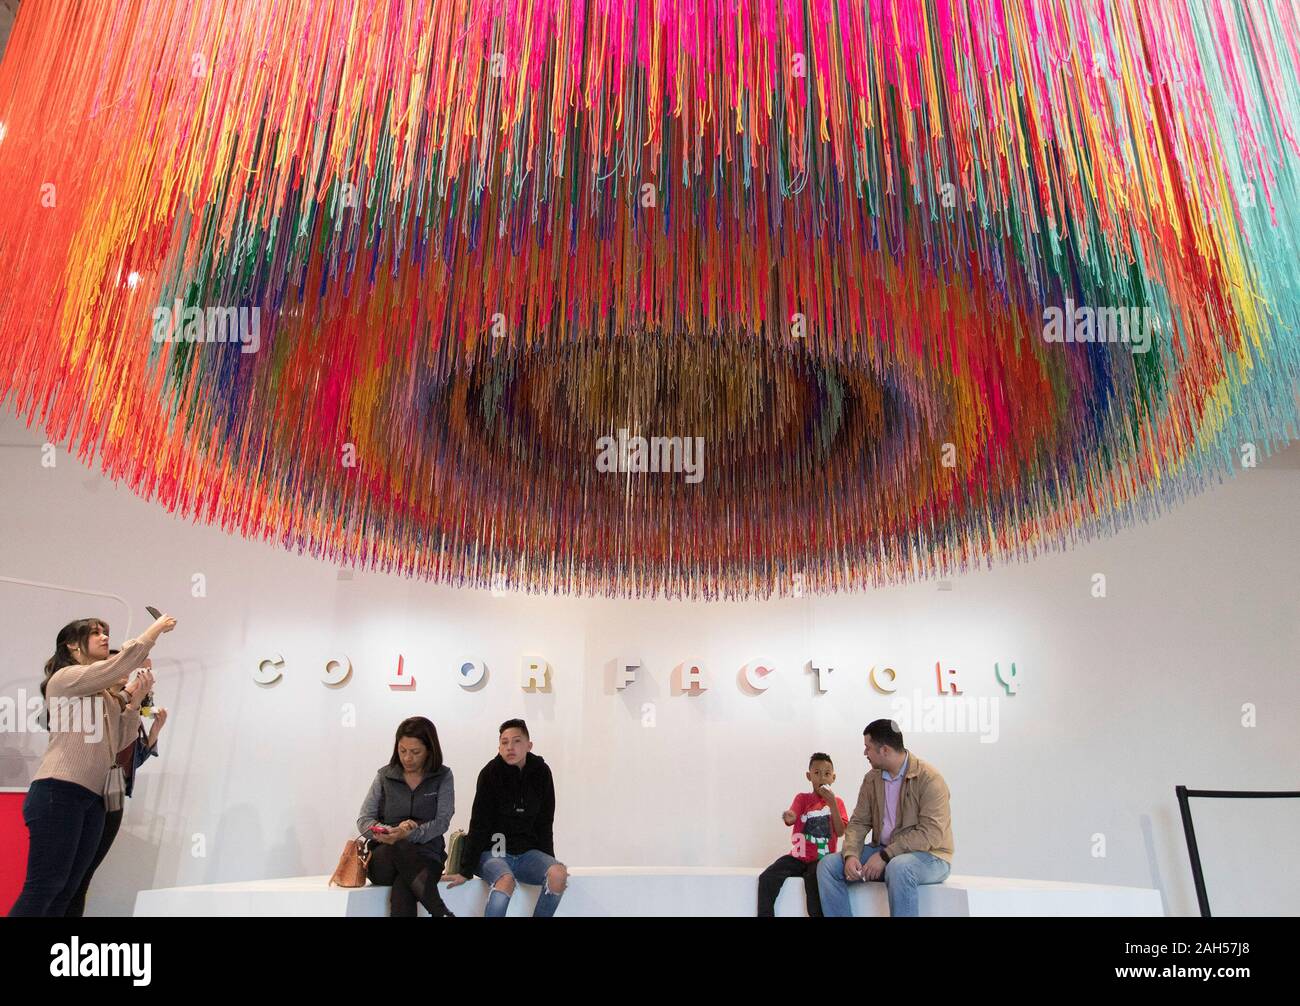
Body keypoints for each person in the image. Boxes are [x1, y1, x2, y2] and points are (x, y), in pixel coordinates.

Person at [9, 613, 176, 917]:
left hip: (94, 799)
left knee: (70, 889)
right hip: (59, 791)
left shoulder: (104, 698)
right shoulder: (66, 678)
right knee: (45, 886)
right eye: (96, 633)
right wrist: (155, 629)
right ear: (72, 645)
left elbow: (121, 743)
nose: (104, 637)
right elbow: (119, 665)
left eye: (105, 632)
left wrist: (134, 702)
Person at [65, 654, 169, 917]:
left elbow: (128, 761)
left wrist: (153, 734)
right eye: (121, 665)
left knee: (85, 874)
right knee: (66, 874)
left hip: (114, 790)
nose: (126, 671)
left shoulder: (131, 708)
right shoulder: (97, 703)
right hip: (85, 787)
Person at [817, 719, 954, 917]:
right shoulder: (872, 778)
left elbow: (930, 834)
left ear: (885, 750)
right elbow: (859, 822)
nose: (865, 753)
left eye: (868, 747)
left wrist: (885, 855)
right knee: (828, 866)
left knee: (899, 868)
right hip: (884, 852)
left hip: (931, 856)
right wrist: (851, 854)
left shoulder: (930, 779)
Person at [444, 719, 567, 917]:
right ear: (499, 747)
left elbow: (545, 823)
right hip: (493, 852)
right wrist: (465, 870)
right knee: (505, 881)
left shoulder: (542, 772)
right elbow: (479, 824)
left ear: (529, 745)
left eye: (516, 741)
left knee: (558, 874)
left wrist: (548, 861)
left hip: (527, 854)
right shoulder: (490, 773)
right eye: (504, 742)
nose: (510, 747)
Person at [357, 716, 455, 917]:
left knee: (404, 889)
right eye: (402, 751)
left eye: (415, 752)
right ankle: (441, 912)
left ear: (430, 750)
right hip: (385, 859)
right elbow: (364, 820)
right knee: (400, 846)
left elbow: (442, 822)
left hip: (427, 855)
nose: (407, 758)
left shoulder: (443, 776)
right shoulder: (384, 776)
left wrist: (409, 833)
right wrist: (390, 832)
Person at [757, 752, 848, 916]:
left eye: (827, 774)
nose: (822, 778)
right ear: (809, 776)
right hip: (797, 856)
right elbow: (792, 815)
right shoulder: (802, 799)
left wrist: (832, 803)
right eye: (817, 773)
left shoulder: (838, 803)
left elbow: (840, 831)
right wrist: (790, 817)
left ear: (833, 778)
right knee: (767, 877)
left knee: (814, 885)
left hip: (821, 860)